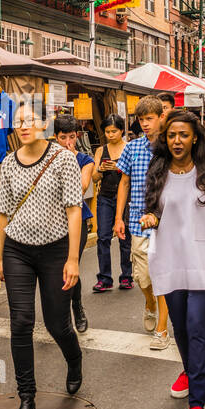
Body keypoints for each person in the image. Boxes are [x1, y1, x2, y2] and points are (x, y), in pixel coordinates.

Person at [138, 110, 205, 409]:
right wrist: (150, 217)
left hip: (202, 256)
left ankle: (198, 402)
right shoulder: (158, 170)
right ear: (165, 140)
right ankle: (188, 367)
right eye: (171, 135)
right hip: (168, 256)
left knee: (197, 327)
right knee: (180, 327)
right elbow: (152, 209)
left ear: (195, 137)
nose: (177, 141)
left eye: (183, 135)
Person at [0, 102, 85, 409]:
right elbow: (3, 212)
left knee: (56, 324)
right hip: (17, 249)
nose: (23, 125)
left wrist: (73, 258)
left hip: (55, 250)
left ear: (44, 123)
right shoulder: (8, 162)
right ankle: (27, 396)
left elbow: (74, 209)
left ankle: (74, 361)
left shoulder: (63, 159)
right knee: (20, 322)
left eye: (30, 119)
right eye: (18, 121)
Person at [115, 96, 172, 349]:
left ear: (161, 117)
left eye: (150, 118)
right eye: (141, 119)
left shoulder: (172, 146)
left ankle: (162, 328)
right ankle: (149, 302)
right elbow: (124, 183)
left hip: (168, 220)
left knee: (163, 275)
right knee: (143, 278)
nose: (145, 124)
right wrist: (119, 218)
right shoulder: (132, 147)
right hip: (138, 221)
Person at [53, 114, 95, 333]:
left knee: (72, 265)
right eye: (62, 137)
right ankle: (59, 314)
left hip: (76, 220)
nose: (67, 142)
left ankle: (77, 307)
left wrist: (69, 161)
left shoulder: (85, 160)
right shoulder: (47, 158)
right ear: (54, 137)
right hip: (51, 221)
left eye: (71, 137)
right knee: (55, 270)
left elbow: (81, 187)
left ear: (77, 136)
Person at [92, 114, 132, 292]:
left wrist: (118, 167)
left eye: (114, 131)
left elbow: (134, 174)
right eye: (107, 132)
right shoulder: (101, 151)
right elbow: (94, 178)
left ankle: (126, 275)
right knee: (103, 237)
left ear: (122, 130)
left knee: (126, 238)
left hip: (127, 198)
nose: (110, 134)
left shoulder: (128, 148)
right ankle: (105, 277)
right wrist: (101, 169)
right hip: (105, 197)